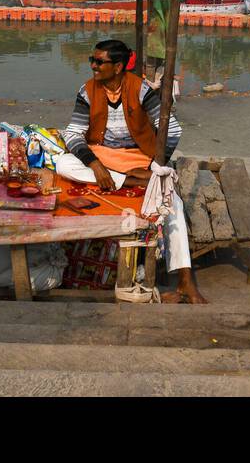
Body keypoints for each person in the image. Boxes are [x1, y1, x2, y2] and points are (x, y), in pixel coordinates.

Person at [54, 38, 203, 304]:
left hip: (138, 157)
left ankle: (185, 281)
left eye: (100, 62)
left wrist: (157, 164)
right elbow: (73, 134)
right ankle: (128, 180)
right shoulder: (87, 91)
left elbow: (173, 130)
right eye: (92, 60)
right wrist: (96, 165)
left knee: (172, 204)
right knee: (62, 163)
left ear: (119, 66)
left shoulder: (142, 90)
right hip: (103, 157)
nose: (93, 66)